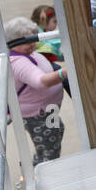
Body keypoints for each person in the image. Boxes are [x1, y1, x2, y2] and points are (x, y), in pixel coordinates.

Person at [5, 17, 68, 165]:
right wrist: (66, 72)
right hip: (37, 115)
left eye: (33, 39)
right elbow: (41, 82)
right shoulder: (18, 62)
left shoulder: (25, 53)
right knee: (49, 152)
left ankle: (35, 163)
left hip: (47, 111)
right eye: (26, 41)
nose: (32, 44)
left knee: (56, 132)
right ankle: (40, 174)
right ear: (12, 41)